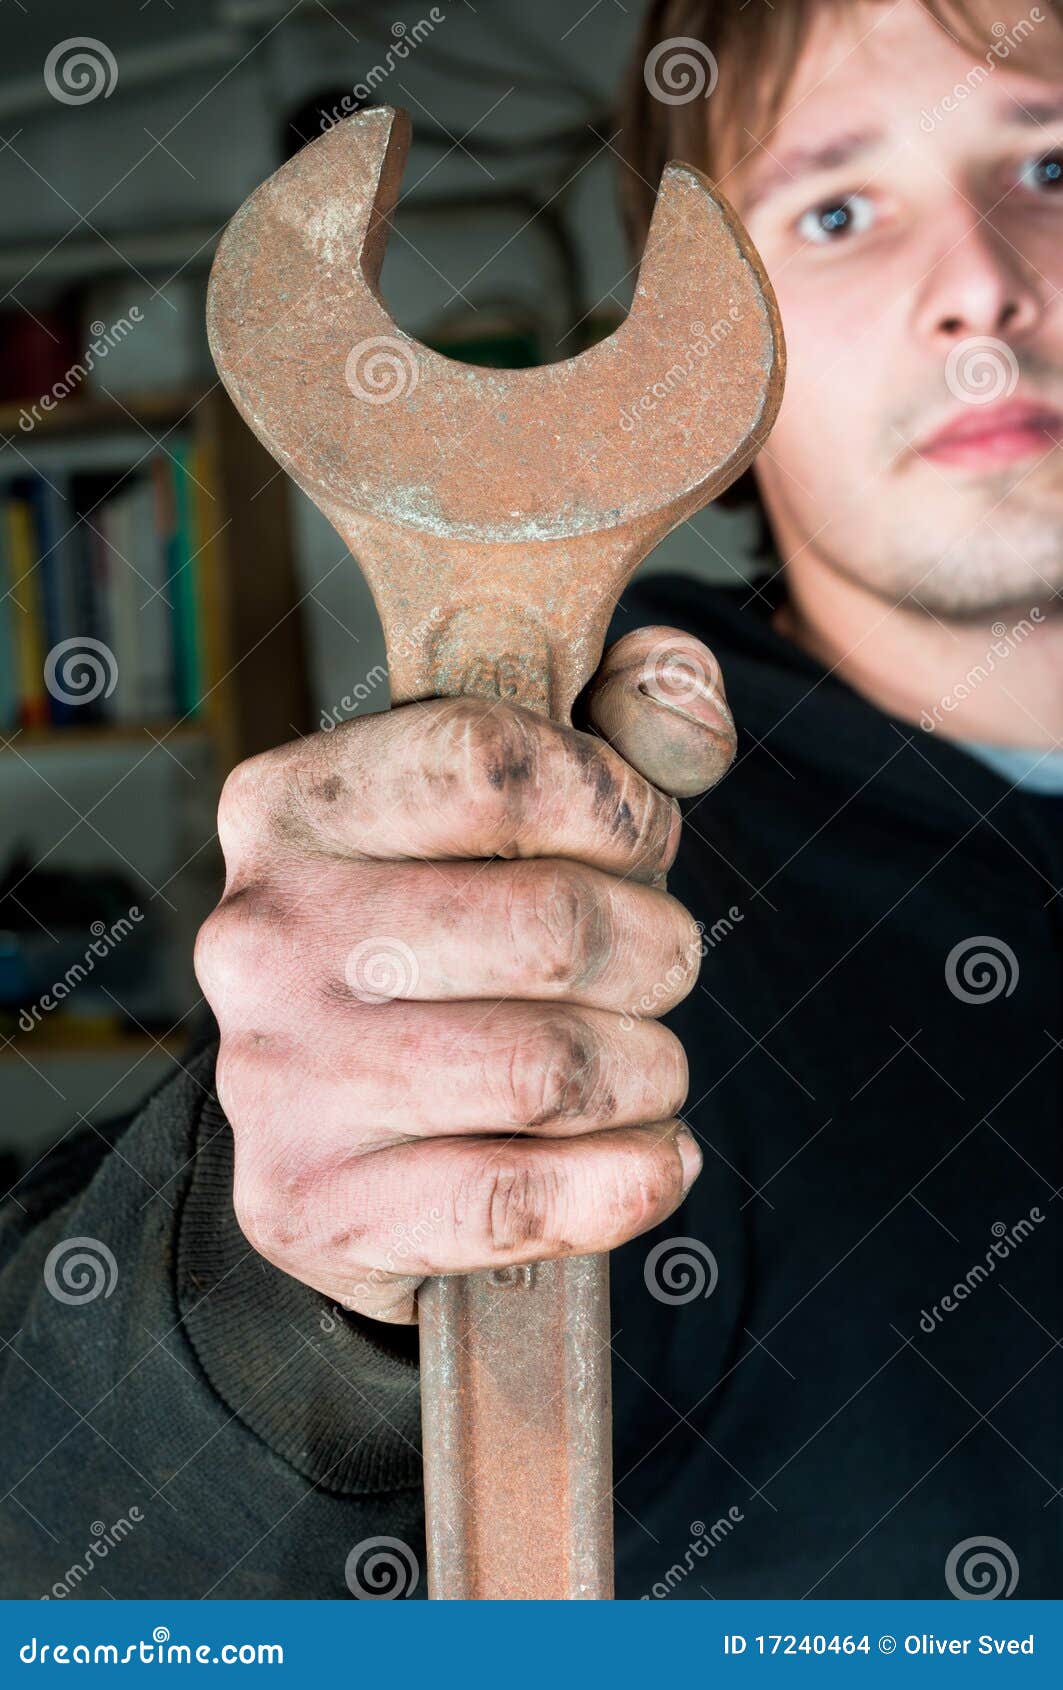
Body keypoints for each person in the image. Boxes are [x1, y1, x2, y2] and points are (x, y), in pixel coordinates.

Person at [2, 0, 1061, 1601]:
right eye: (836, 207)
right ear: (738, 329)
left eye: (1050, 162)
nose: (979, 281)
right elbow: (67, 1547)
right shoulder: (588, 875)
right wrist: (266, 1297)